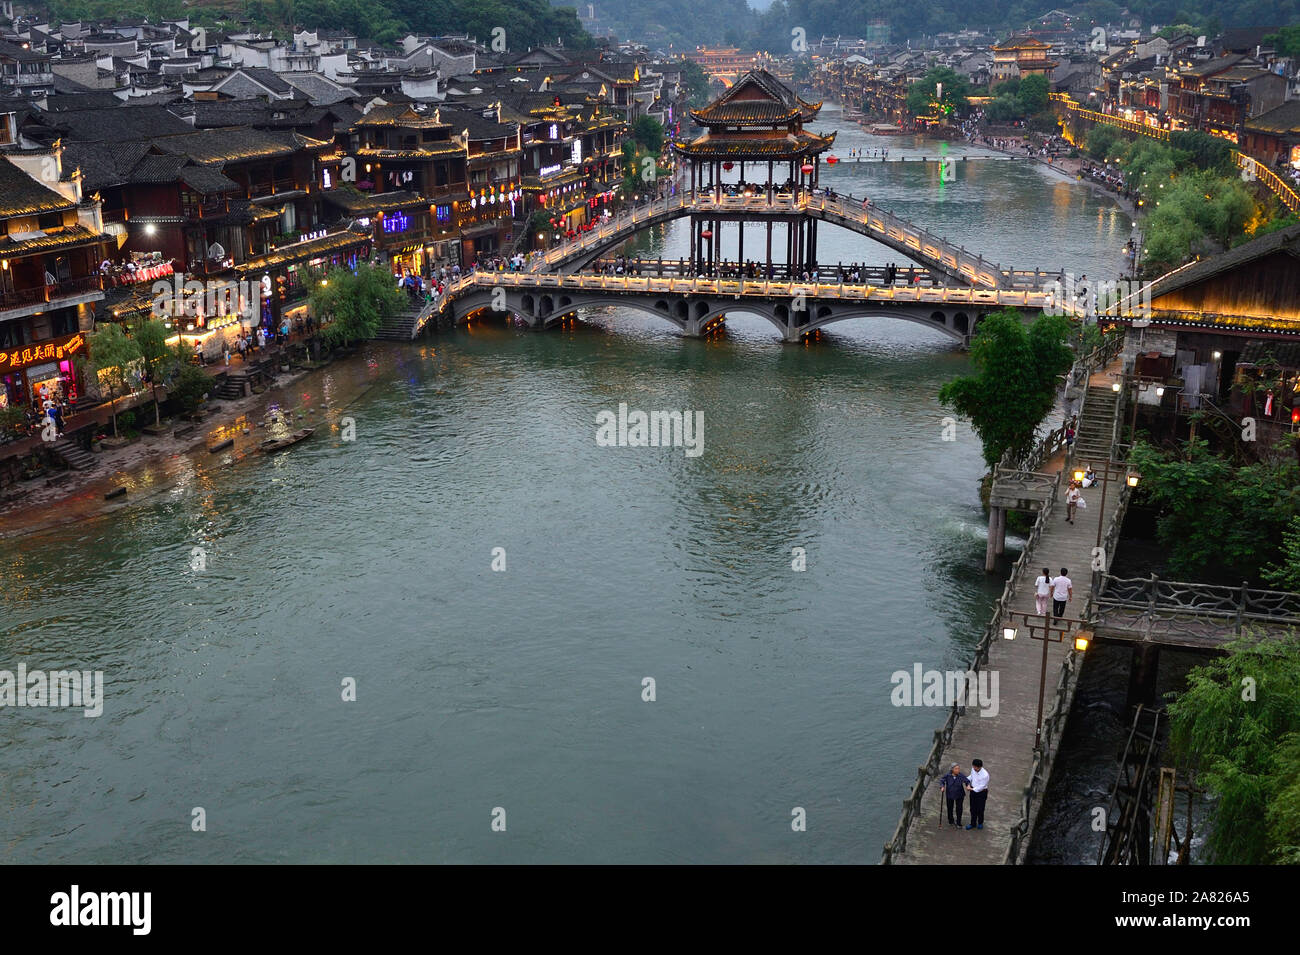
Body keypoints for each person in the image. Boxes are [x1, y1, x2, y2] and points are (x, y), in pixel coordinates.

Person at [938, 763, 969, 829]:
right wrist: (942, 787)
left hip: (959, 794)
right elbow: (942, 780)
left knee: (959, 808)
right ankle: (951, 820)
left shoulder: (961, 775)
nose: (958, 770)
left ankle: (958, 822)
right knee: (950, 807)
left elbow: (967, 781)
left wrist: (968, 786)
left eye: (958, 768)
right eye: (956, 769)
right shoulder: (947, 775)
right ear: (952, 769)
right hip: (950, 794)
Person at [965, 759, 989, 830]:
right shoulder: (973, 769)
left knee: (980, 809)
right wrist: (966, 780)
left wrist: (971, 789)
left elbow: (981, 786)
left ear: (979, 767)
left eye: (975, 767)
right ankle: (973, 823)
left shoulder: (985, 775)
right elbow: (971, 776)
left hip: (982, 792)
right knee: (972, 808)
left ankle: (980, 823)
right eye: (973, 766)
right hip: (973, 790)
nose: (974, 768)